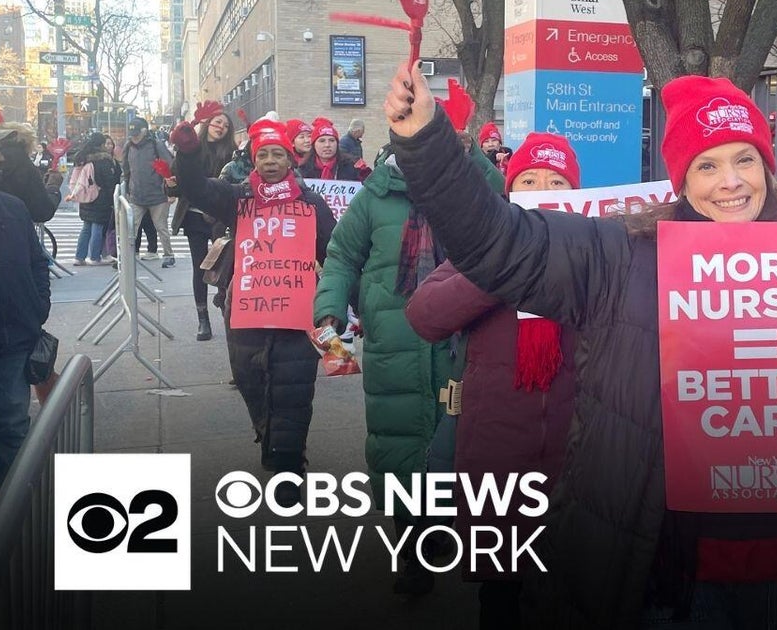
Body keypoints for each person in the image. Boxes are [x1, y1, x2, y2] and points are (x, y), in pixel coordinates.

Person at [385, 65, 777, 628]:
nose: (730, 182)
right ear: (682, 179)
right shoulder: (622, 254)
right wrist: (427, 141)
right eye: (707, 165)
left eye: (744, 159)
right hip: (667, 571)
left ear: (766, 167)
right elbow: (497, 242)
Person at [313, 84, 507, 596]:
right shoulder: (376, 194)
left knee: (452, 443)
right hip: (393, 339)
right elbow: (340, 257)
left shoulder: (474, 185)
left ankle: (442, 531)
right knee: (399, 443)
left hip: (462, 341)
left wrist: (465, 153)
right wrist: (330, 309)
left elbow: (504, 211)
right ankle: (415, 551)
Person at [404, 132, 581, 629]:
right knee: (501, 599)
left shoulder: (594, 251)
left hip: (575, 459)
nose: (543, 190)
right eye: (529, 180)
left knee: (566, 593)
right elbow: (424, 316)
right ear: (509, 191)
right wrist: (502, 266)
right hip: (497, 456)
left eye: (556, 181)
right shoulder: (481, 250)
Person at [171, 117, 336, 507]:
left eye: (278, 154)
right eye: (264, 154)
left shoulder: (311, 203)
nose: (271, 161)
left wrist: (344, 301)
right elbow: (194, 188)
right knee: (253, 384)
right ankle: (269, 436)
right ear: (254, 159)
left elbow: (335, 252)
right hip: (245, 314)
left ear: (291, 160)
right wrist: (189, 150)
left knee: (293, 391)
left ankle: (288, 467)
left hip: (298, 314)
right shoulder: (237, 198)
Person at [0, 126, 50, 493]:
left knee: (12, 424)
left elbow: (36, 262)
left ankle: (15, 511)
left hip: (12, 336)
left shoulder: (11, 208)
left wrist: (37, 307)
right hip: (13, 330)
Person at [168, 105, 234, 341]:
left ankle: (229, 311)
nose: (221, 128)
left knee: (225, 267)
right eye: (217, 123)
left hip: (220, 218)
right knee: (200, 267)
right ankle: (203, 319)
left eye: (226, 126)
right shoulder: (191, 149)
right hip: (194, 217)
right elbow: (178, 181)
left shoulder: (231, 153)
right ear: (208, 125)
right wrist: (170, 185)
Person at [0, 105, 62, 224]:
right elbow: (42, 210)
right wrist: (53, 187)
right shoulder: (19, 159)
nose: (1, 158)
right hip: (10, 232)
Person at [123, 117, 177, 267]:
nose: (134, 137)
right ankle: (126, 257)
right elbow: (126, 169)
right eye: (132, 134)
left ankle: (169, 254)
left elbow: (169, 165)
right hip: (136, 195)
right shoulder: (129, 146)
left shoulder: (155, 145)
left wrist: (171, 190)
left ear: (144, 131)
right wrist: (127, 189)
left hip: (158, 195)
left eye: (137, 133)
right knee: (131, 226)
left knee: (161, 227)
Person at [69, 133, 121, 266]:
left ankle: (79, 257)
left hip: (86, 197)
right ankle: (94, 256)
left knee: (86, 227)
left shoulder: (83, 158)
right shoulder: (103, 161)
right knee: (98, 226)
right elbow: (109, 182)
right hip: (100, 197)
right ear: (101, 145)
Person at [299, 117, 363, 181]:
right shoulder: (303, 169)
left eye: (332, 140)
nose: (327, 145)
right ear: (314, 144)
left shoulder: (353, 166)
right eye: (322, 141)